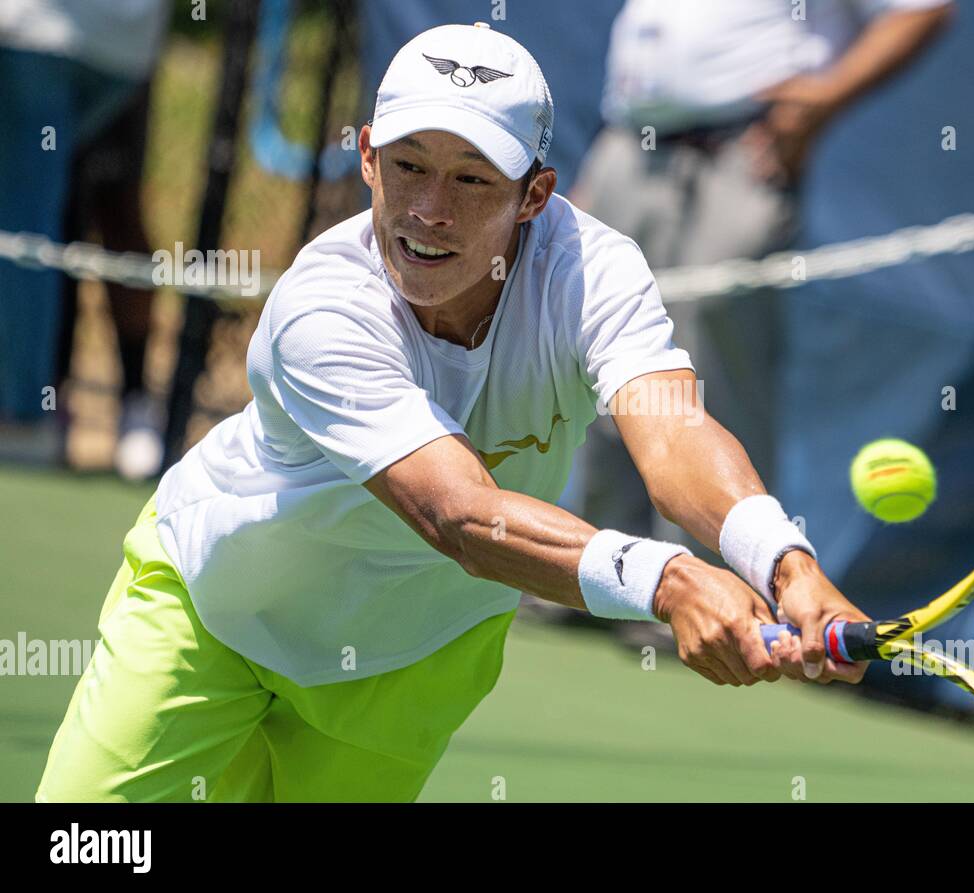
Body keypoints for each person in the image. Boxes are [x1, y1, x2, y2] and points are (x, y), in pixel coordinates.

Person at [38, 23, 869, 803]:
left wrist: (784, 563)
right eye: (408, 165)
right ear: (366, 159)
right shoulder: (321, 310)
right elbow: (458, 515)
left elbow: (672, 429)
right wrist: (668, 578)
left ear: (535, 194)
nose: (430, 209)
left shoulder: (593, 271)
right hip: (211, 615)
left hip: (412, 662)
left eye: (472, 178)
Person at [569, 0, 954, 546]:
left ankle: (717, 583)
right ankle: (599, 569)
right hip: (625, 144)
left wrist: (824, 98)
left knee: (713, 364)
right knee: (595, 345)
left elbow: (921, 9)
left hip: (742, 151)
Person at [0, 0, 169, 467]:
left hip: (42, 35)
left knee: (30, 225)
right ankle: (46, 406)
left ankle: (26, 416)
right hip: (122, 47)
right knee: (51, 215)